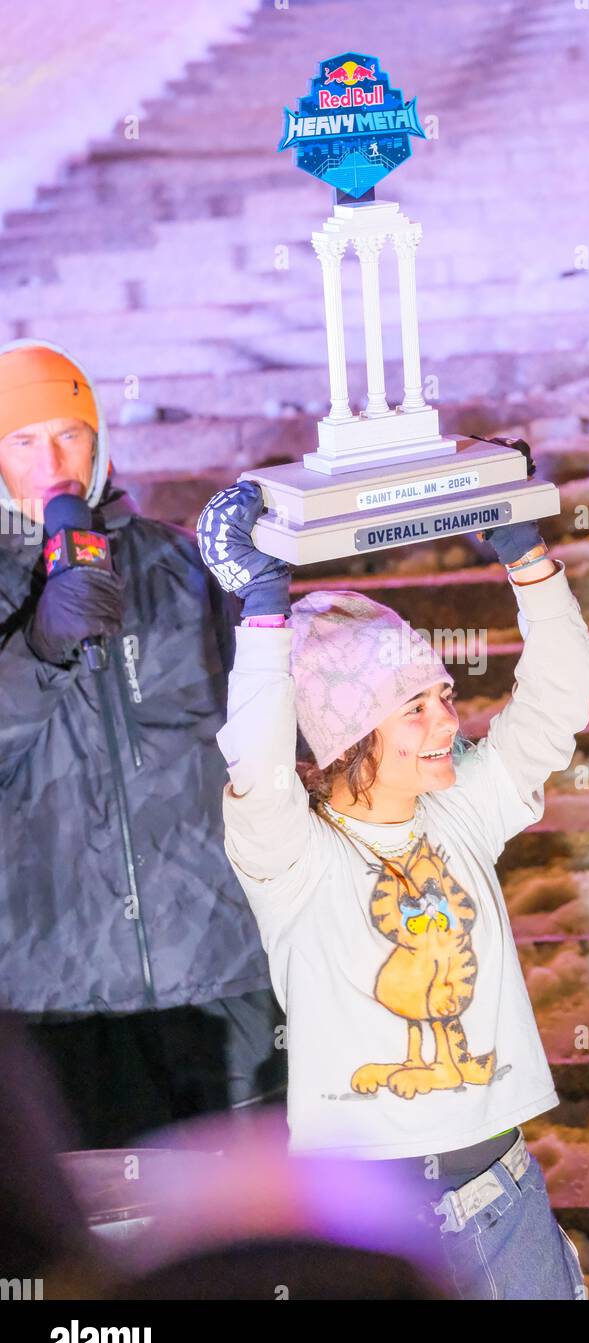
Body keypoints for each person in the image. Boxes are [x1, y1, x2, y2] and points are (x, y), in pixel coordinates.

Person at [196, 477, 589, 1300]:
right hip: (365, 1224)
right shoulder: (294, 858)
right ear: (346, 739)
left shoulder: (460, 810)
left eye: (444, 695)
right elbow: (262, 768)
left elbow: (556, 703)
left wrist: (528, 562)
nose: (450, 721)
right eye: (414, 708)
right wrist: (264, 623)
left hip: (503, 1205)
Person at [0, 339, 284, 1148]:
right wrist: (38, 652)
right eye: (21, 441)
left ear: (99, 441)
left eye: (70, 433)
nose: (52, 460)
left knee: (245, 1242)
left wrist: (275, 599)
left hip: (221, 972)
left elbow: (269, 726)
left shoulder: (182, 563)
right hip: (54, 1001)